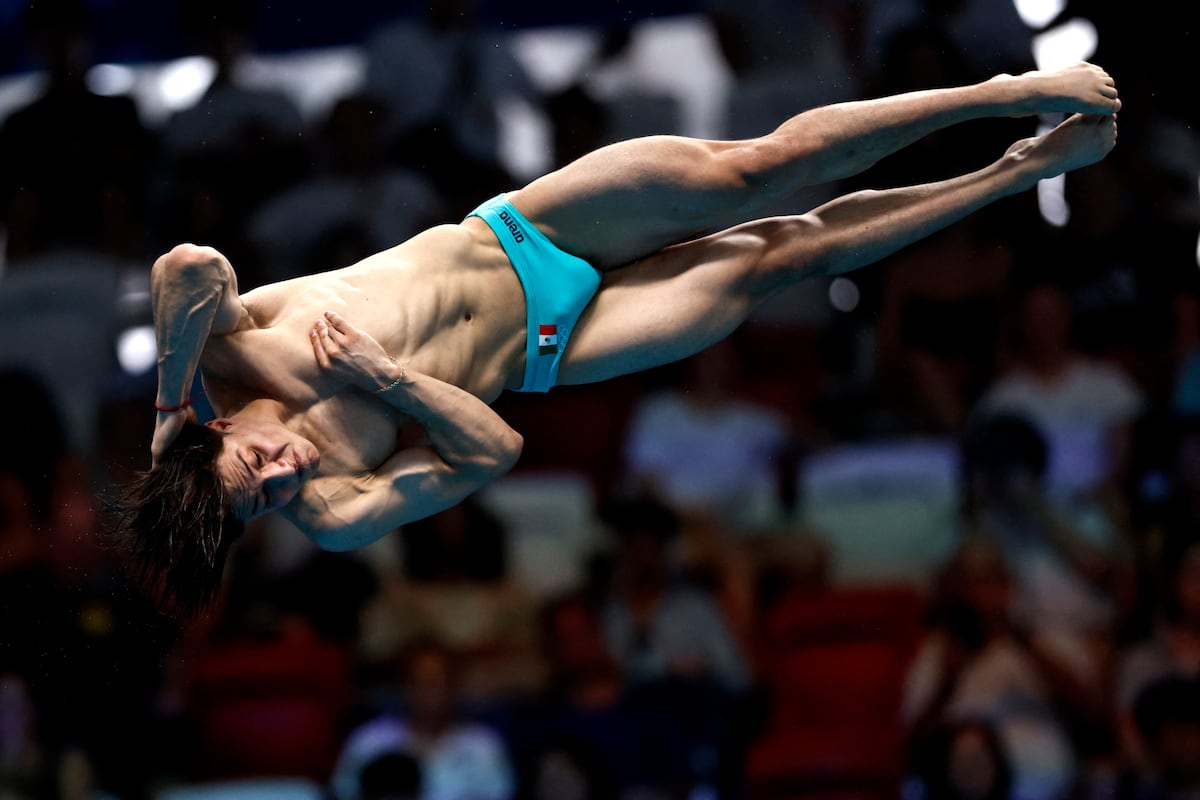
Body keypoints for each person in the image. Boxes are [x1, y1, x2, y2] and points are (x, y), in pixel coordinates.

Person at [110, 63, 1121, 613]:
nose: (285, 471)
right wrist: (390, 380)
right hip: (556, 345)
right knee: (787, 258)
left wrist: (165, 406)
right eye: (268, 498)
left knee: (757, 170)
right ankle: (1017, 170)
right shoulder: (332, 507)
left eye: (258, 462)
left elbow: (188, 263)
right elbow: (494, 449)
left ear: (212, 428)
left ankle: (1004, 96)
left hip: (525, 232)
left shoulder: (230, 352)